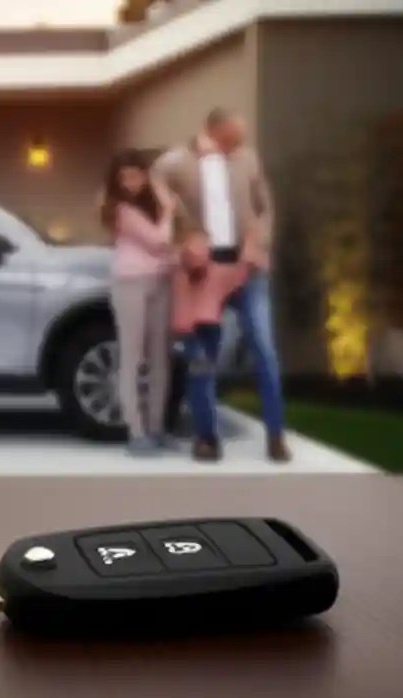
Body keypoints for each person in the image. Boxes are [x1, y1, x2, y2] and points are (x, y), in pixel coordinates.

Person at [153, 109, 290, 463]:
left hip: (247, 270)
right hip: (204, 273)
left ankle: (276, 435)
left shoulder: (248, 159)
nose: (236, 147)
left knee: (264, 348)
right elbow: (155, 184)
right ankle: (207, 437)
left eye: (239, 142)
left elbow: (266, 207)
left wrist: (257, 243)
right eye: (230, 140)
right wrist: (183, 234)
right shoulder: (177, 162)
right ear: (212, 131)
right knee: (202, 357)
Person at [99, 150, 176, 457]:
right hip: (130, 281)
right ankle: (137, 431)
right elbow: (159, 241)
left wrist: (162, 195)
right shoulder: (120, 209)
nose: (131, 182)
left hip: (160, 281)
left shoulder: (151, 203)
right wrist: (168, 211)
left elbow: (168, 242)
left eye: (136, 175)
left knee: (160, 356)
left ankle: (157, 427)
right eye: (124, 177)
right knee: (133, 356)